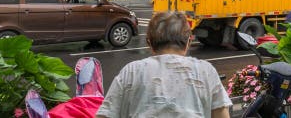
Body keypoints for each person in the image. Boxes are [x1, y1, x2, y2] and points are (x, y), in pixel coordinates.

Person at [96, 11, 231, 118]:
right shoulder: (206, 71)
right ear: (188, 42)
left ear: (149, 43)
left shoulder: (131, 71)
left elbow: (106, 114)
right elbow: (221, 114)